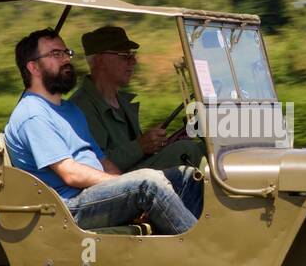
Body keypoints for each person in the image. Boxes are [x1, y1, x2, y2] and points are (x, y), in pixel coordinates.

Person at [3, 28, 200, 234]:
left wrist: (124, 184)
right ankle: (204, 253)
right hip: (67, 207)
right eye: (55, 54)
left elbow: (102, 162)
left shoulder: (69, 110)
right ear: (33, 67)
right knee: (149, 184)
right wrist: (125, 183)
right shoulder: (33, 114)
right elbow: (70, 174)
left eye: (66, 52)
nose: (66, 59)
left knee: (185, 176)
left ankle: (190, 241)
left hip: (92, 195)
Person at [69, 25, 205, 216]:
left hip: (135, 177)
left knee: (201, 148)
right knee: (186, 151)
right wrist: (140, 146)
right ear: (100, 60)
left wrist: (156, 143)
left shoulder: (121, 102)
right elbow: (94, 166)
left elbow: (135, 152)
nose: (133, 61)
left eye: (132, 55)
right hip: (114, 189)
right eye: (125, 56)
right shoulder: (81, 107)